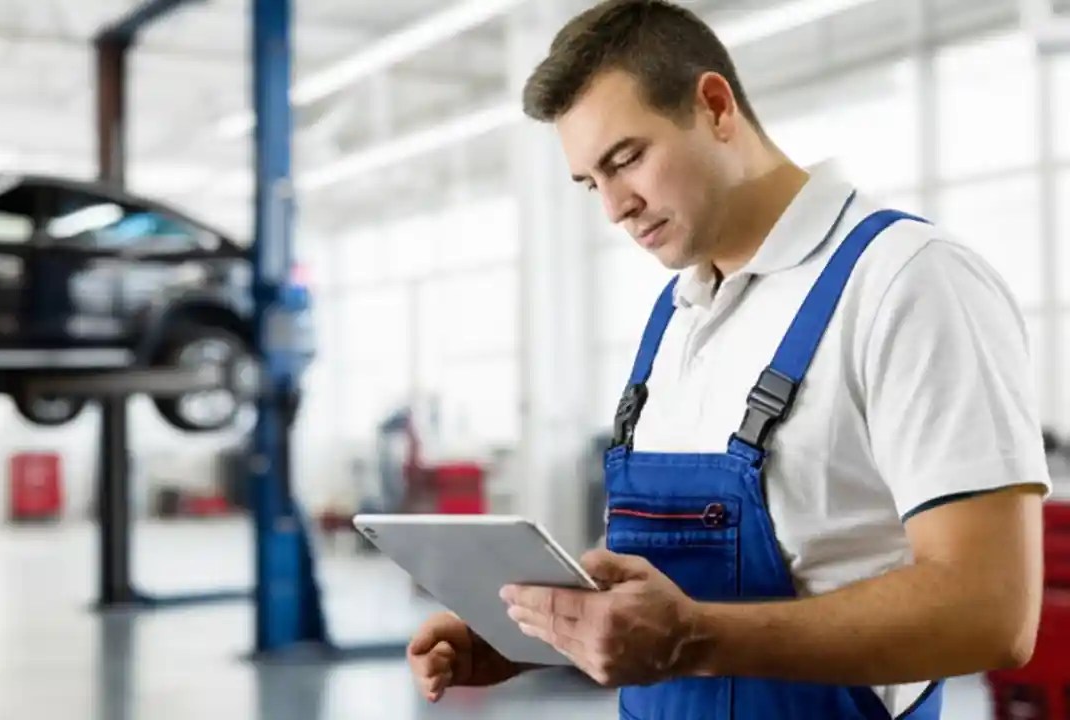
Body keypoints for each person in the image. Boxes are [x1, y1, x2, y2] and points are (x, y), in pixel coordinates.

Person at [406, 1, 1051, 718]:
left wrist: (697, 639)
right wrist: (541, 632)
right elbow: (673, 585)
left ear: (714, 106)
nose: (616, 207)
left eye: (627, 159)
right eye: (593, 183)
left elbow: (991, 610)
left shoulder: (908, 281)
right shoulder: (677, 318)